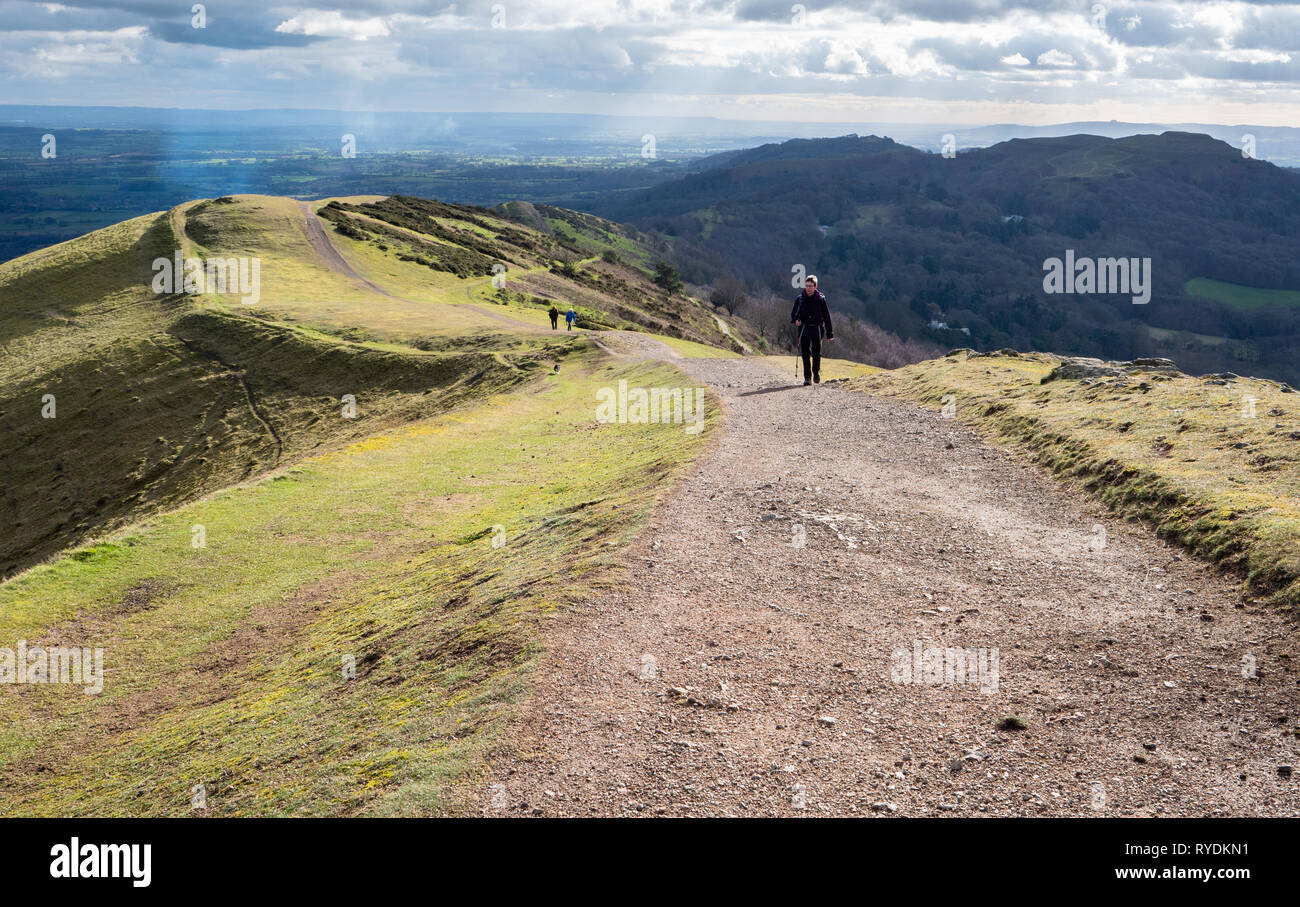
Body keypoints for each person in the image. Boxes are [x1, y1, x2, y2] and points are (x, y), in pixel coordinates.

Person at [790, 275, 834, 385]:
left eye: (810, 286)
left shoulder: (821, 300)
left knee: (816, 354)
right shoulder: (799, 299)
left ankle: (816, 373)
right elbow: (793, 314)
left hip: (817, 329)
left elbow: (827, 317)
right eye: (807, 286)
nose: (808, 288)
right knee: (805, 354)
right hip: (804, 329)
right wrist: (796, 320)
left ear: (815, 286)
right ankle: (807, 378)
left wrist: (830, 334)